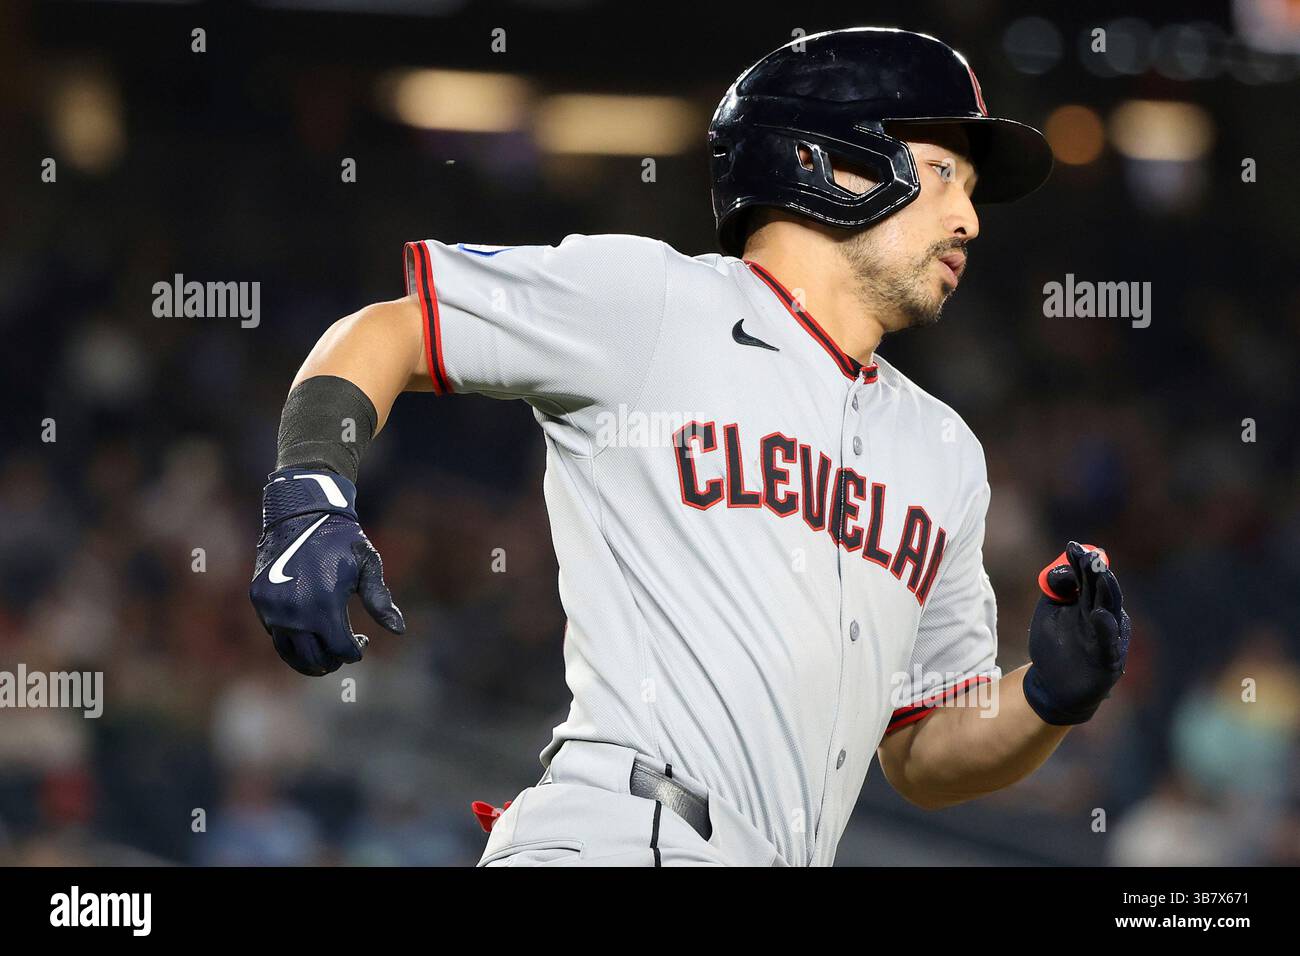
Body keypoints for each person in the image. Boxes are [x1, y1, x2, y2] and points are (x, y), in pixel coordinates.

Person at [249, 27, 1132, 866]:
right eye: (943, 173)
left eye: (971, 191)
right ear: (829, 158)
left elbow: (922, 753)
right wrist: (308, 491)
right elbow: (394, 329)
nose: (968, 220)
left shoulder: (945, 451)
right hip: (621, 831)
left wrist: (1047, 700)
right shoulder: (657, 302)